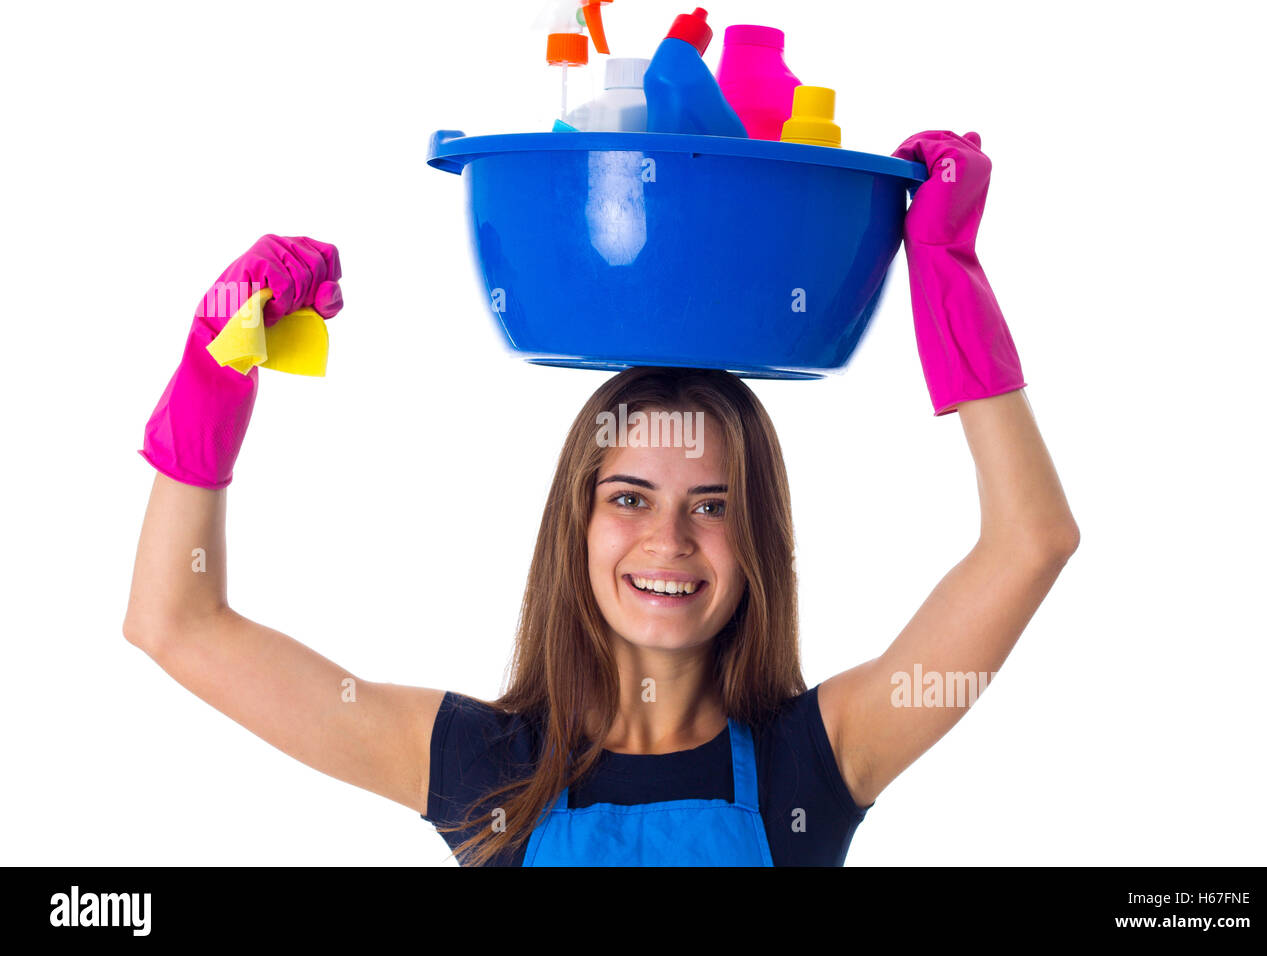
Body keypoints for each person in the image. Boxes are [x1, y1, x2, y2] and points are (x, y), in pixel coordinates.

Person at [123, 131, 1079, 866]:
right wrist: (214, 378)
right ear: (572, 528)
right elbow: (176, 623)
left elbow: (1031, 541)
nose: (669, 540)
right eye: (630, 497)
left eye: (713, 506)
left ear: (759, 545)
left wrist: (949, 278)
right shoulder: (483, 769)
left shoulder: (817, 764)